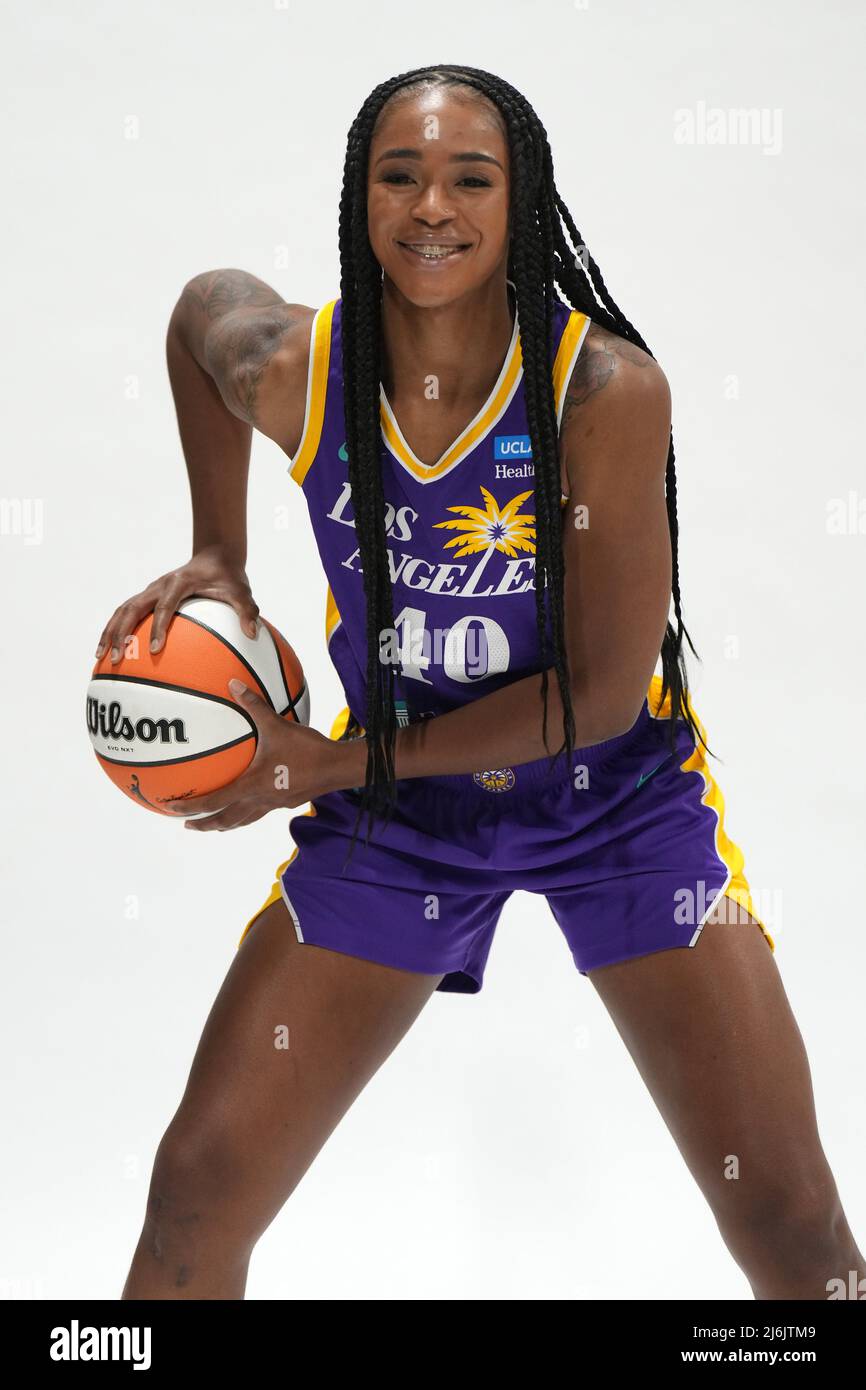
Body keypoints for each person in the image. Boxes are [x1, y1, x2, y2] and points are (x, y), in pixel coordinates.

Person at [97, 64, 863, 1300]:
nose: (431, 206)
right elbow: (200, 315)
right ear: (360, 198)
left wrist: (320, 763)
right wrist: (218, 551)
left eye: (470, 177)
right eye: (398, 176)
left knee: (788, 1221)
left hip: (613, 806)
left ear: (521, 200)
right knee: (197, 1187)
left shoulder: (600, 391)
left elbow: (597, 701)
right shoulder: (300, 368)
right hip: (406, 822)